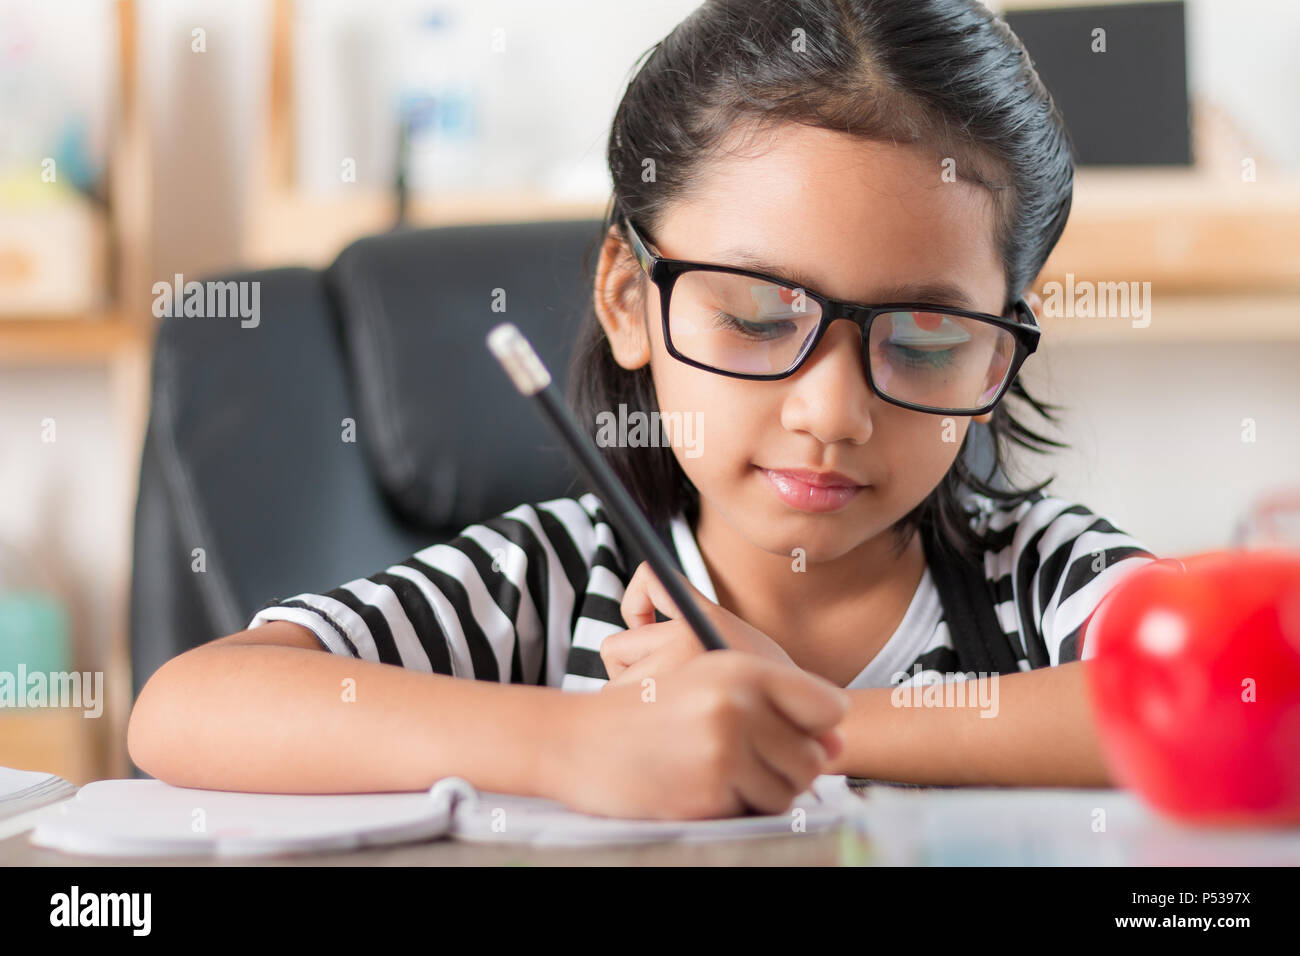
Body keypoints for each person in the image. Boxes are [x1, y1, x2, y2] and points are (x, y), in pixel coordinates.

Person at [128, 0, 1155, 819]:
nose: (831, 410)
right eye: (757, 316)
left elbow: (1249, 700)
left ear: (999, 350)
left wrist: (818, 716)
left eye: (927, 339)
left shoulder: (1033, 576)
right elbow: (185, 709)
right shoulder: (553, 582)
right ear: (629, 298)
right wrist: (574, 744)